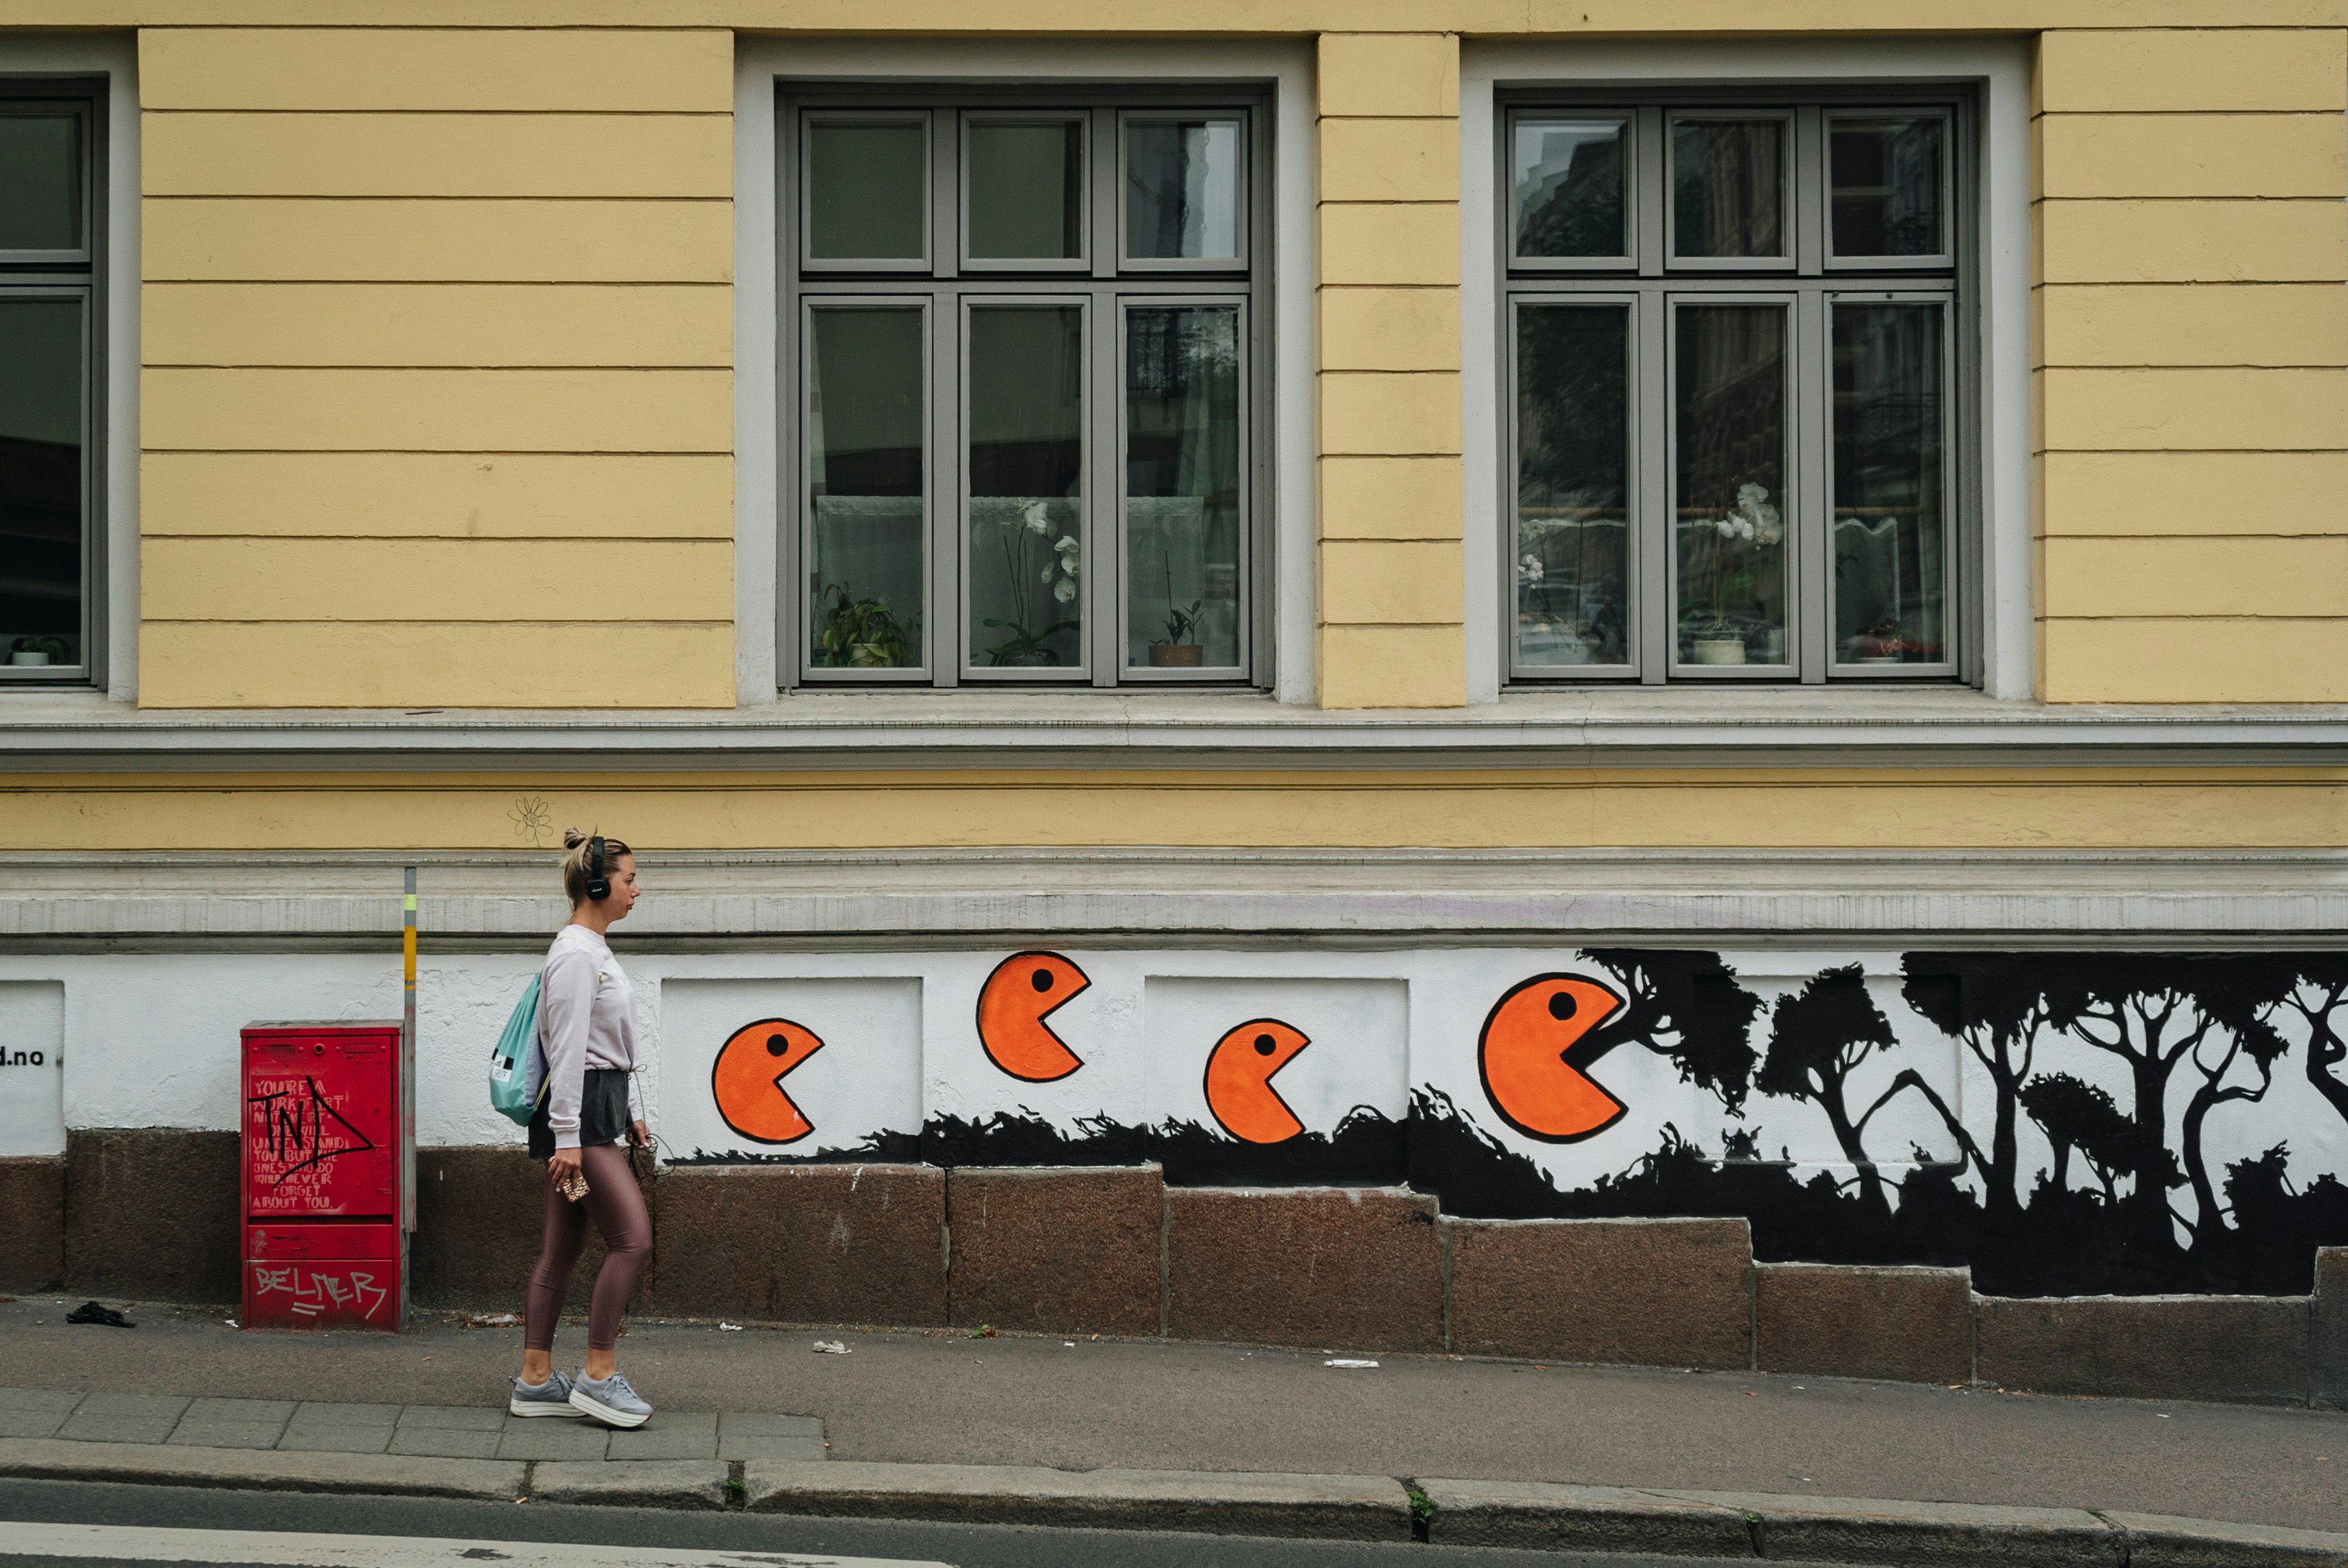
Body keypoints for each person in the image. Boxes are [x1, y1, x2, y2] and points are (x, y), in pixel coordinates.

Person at [508, 829, 655, 1428]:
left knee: (562, 1250)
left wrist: (632, 1112)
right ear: (597, 885)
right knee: (632, 1239)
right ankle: (597, 1375)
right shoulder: (575, 954)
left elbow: (612, 1045)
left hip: (596, 1112)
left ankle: (536, 1380)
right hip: (579, 1120)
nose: (636, 890)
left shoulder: (593, 950)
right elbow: (566, 1050)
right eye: (628, 879)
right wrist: (567, 1138)